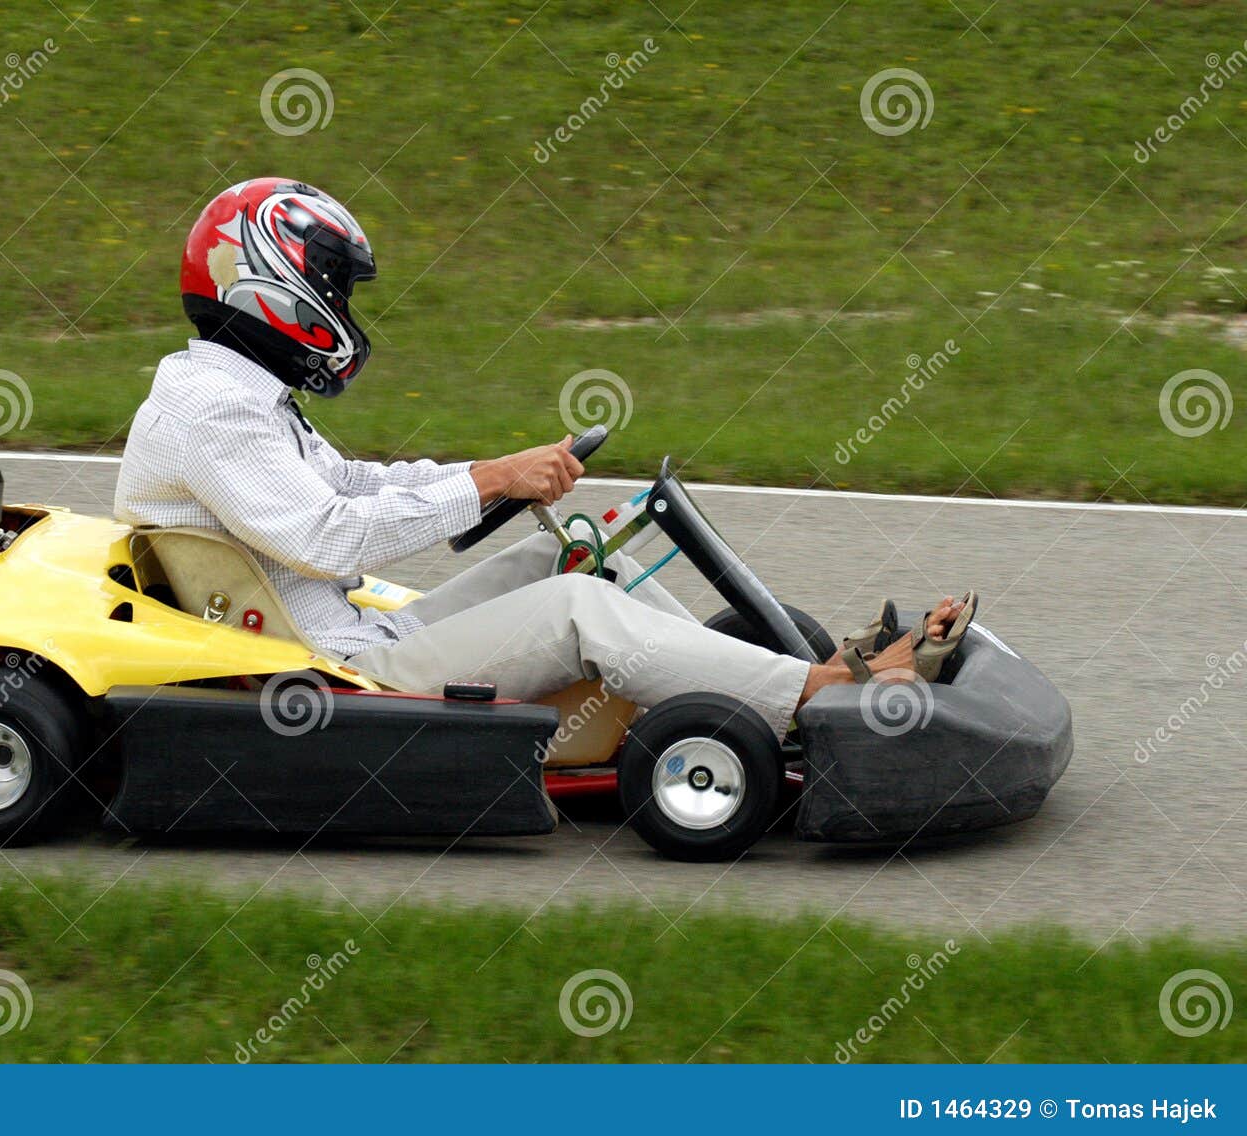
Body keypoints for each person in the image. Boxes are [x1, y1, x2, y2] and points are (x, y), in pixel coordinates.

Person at [115, 177, 973, 741]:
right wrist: (492, 481)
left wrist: (490, 470)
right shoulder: (214, 412)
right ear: (275, 288)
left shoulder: (234, 395)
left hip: (356, 635)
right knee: (576, 608)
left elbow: (354, 485)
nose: (342, 308)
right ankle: (812, 696)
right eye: (335, 288)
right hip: (340, 675)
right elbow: (328, 538)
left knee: (575, 558)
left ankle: (752, 686)